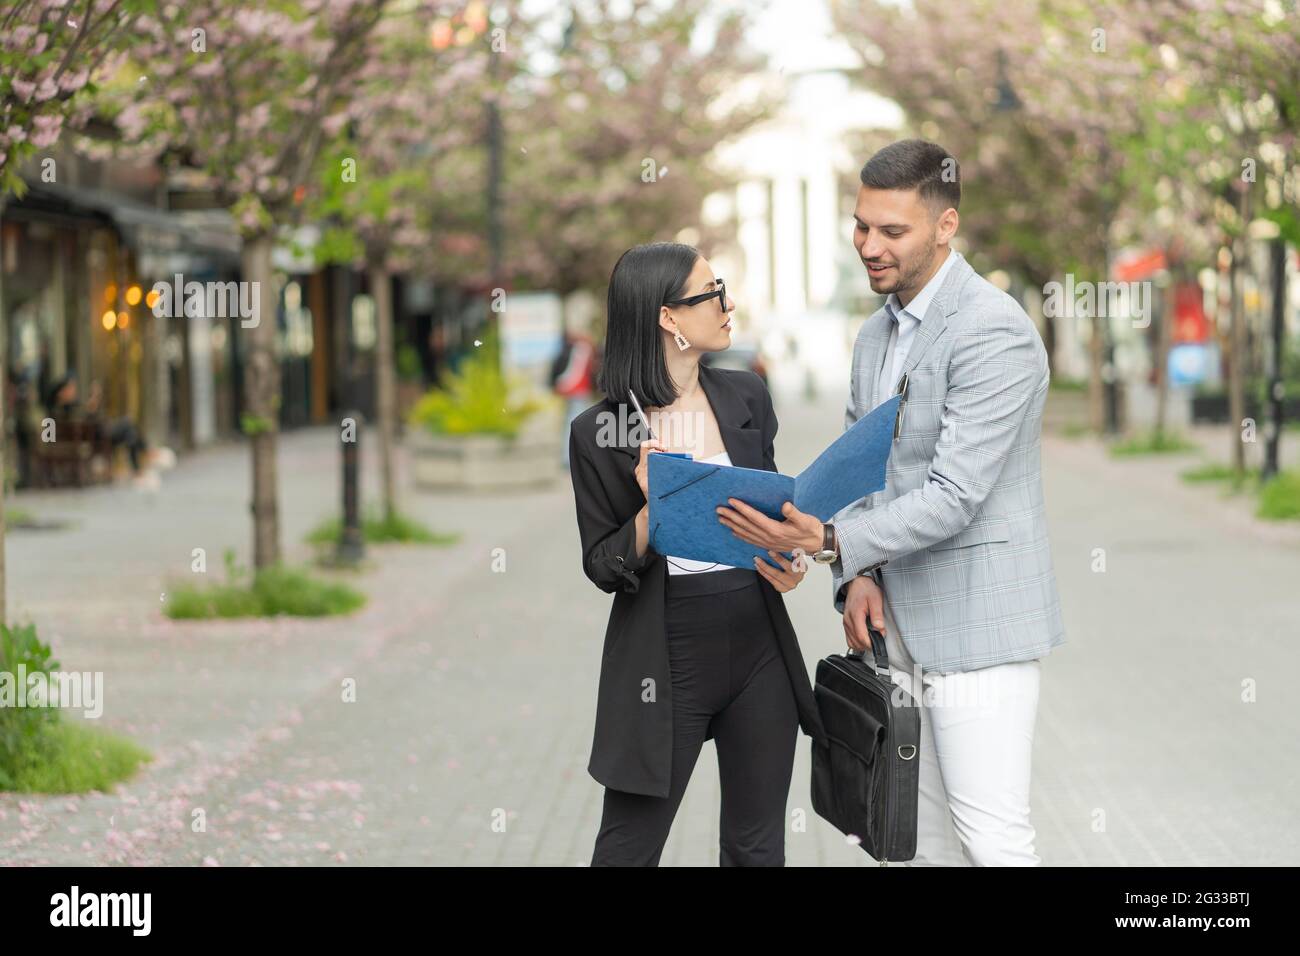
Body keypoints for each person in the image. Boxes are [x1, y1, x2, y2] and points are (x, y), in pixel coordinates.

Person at [718, 139, 1066, 866]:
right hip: (892, 623)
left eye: (892, 231)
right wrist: (858, 577)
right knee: (917, 843)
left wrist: (833, 545)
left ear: (945, 226)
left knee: (992, 836)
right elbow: (860, 470)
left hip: (978, 626)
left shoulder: (992, 331)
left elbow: (954, 496)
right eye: (861, 225)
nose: (869, 246)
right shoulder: (876, 333)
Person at [567, 241, 826, 866]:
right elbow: (603, 566)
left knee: (756, 849)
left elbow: (767, 512)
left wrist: (788, 558)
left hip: (758, 642)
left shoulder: (746, 397)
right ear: (667, 318)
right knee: (626, 851)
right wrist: (657, 509)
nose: (726, 302)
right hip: (665, 654)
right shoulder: (603, 430)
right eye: (710, 293)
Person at [550, 329, 597, 470]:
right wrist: (565, 386)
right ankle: (570, 458)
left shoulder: (576, 347)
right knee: (575, 426)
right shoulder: (582, 348)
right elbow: (576, 372)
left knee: (571, 424)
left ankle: (570, 457)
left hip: (576, 391)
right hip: (579, 392)